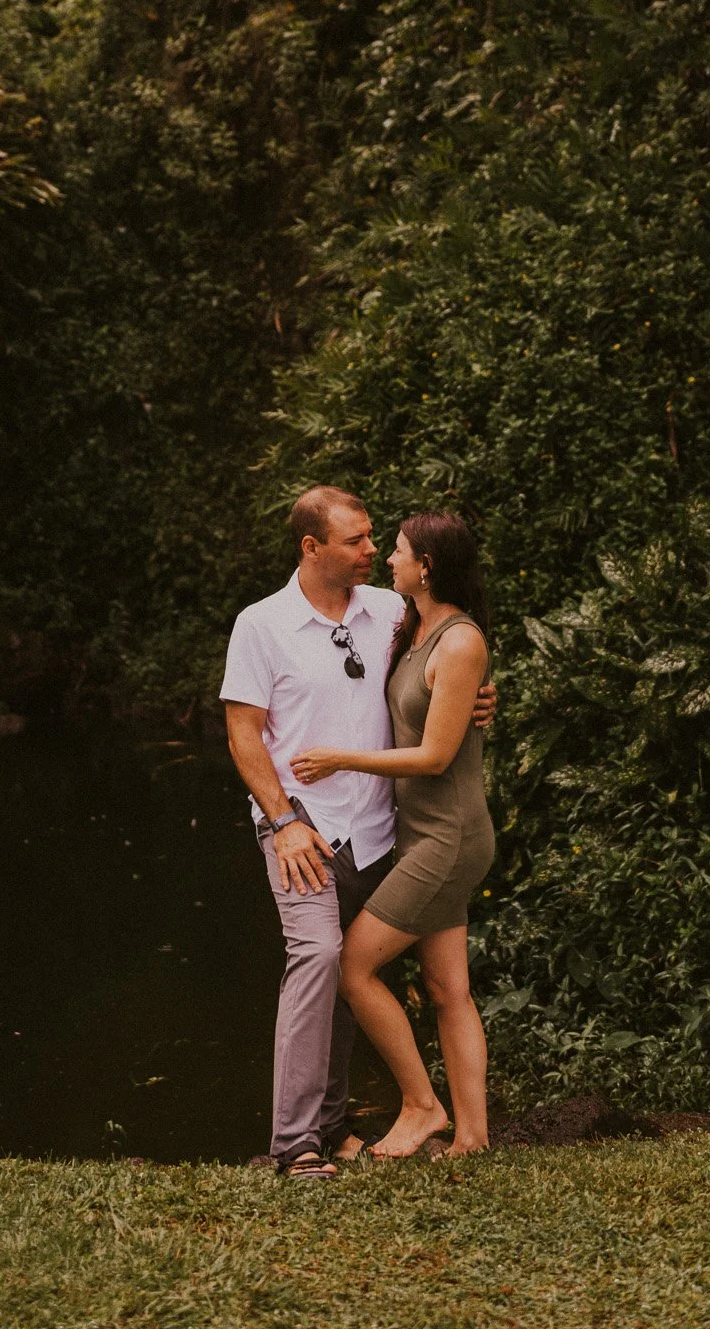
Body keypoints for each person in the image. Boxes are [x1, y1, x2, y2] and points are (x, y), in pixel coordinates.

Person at [222, 487, 496, 1180]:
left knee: (358, 971)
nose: (371, 551)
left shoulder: (391, 611)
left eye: (377, 539)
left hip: (381, 827)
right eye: (355, 540)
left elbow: (444, 667)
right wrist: (282, 821)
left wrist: (479, 699)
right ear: (311, 548)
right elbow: (242, 734)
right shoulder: (261, 625)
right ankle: (294, 1144)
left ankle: (335, 1123)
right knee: (318, 957)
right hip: (303, 827)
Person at [292, 509, 495, 1159]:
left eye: (398, 550)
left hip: (448, 838)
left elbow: (434, 756)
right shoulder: (409, 625)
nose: (385, 558)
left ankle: (419, 1105)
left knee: (354, 966)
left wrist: (339, 758)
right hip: (426, 834)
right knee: (447, 989)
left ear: (427, 566)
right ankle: (472, 1137)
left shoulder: (458, 640)